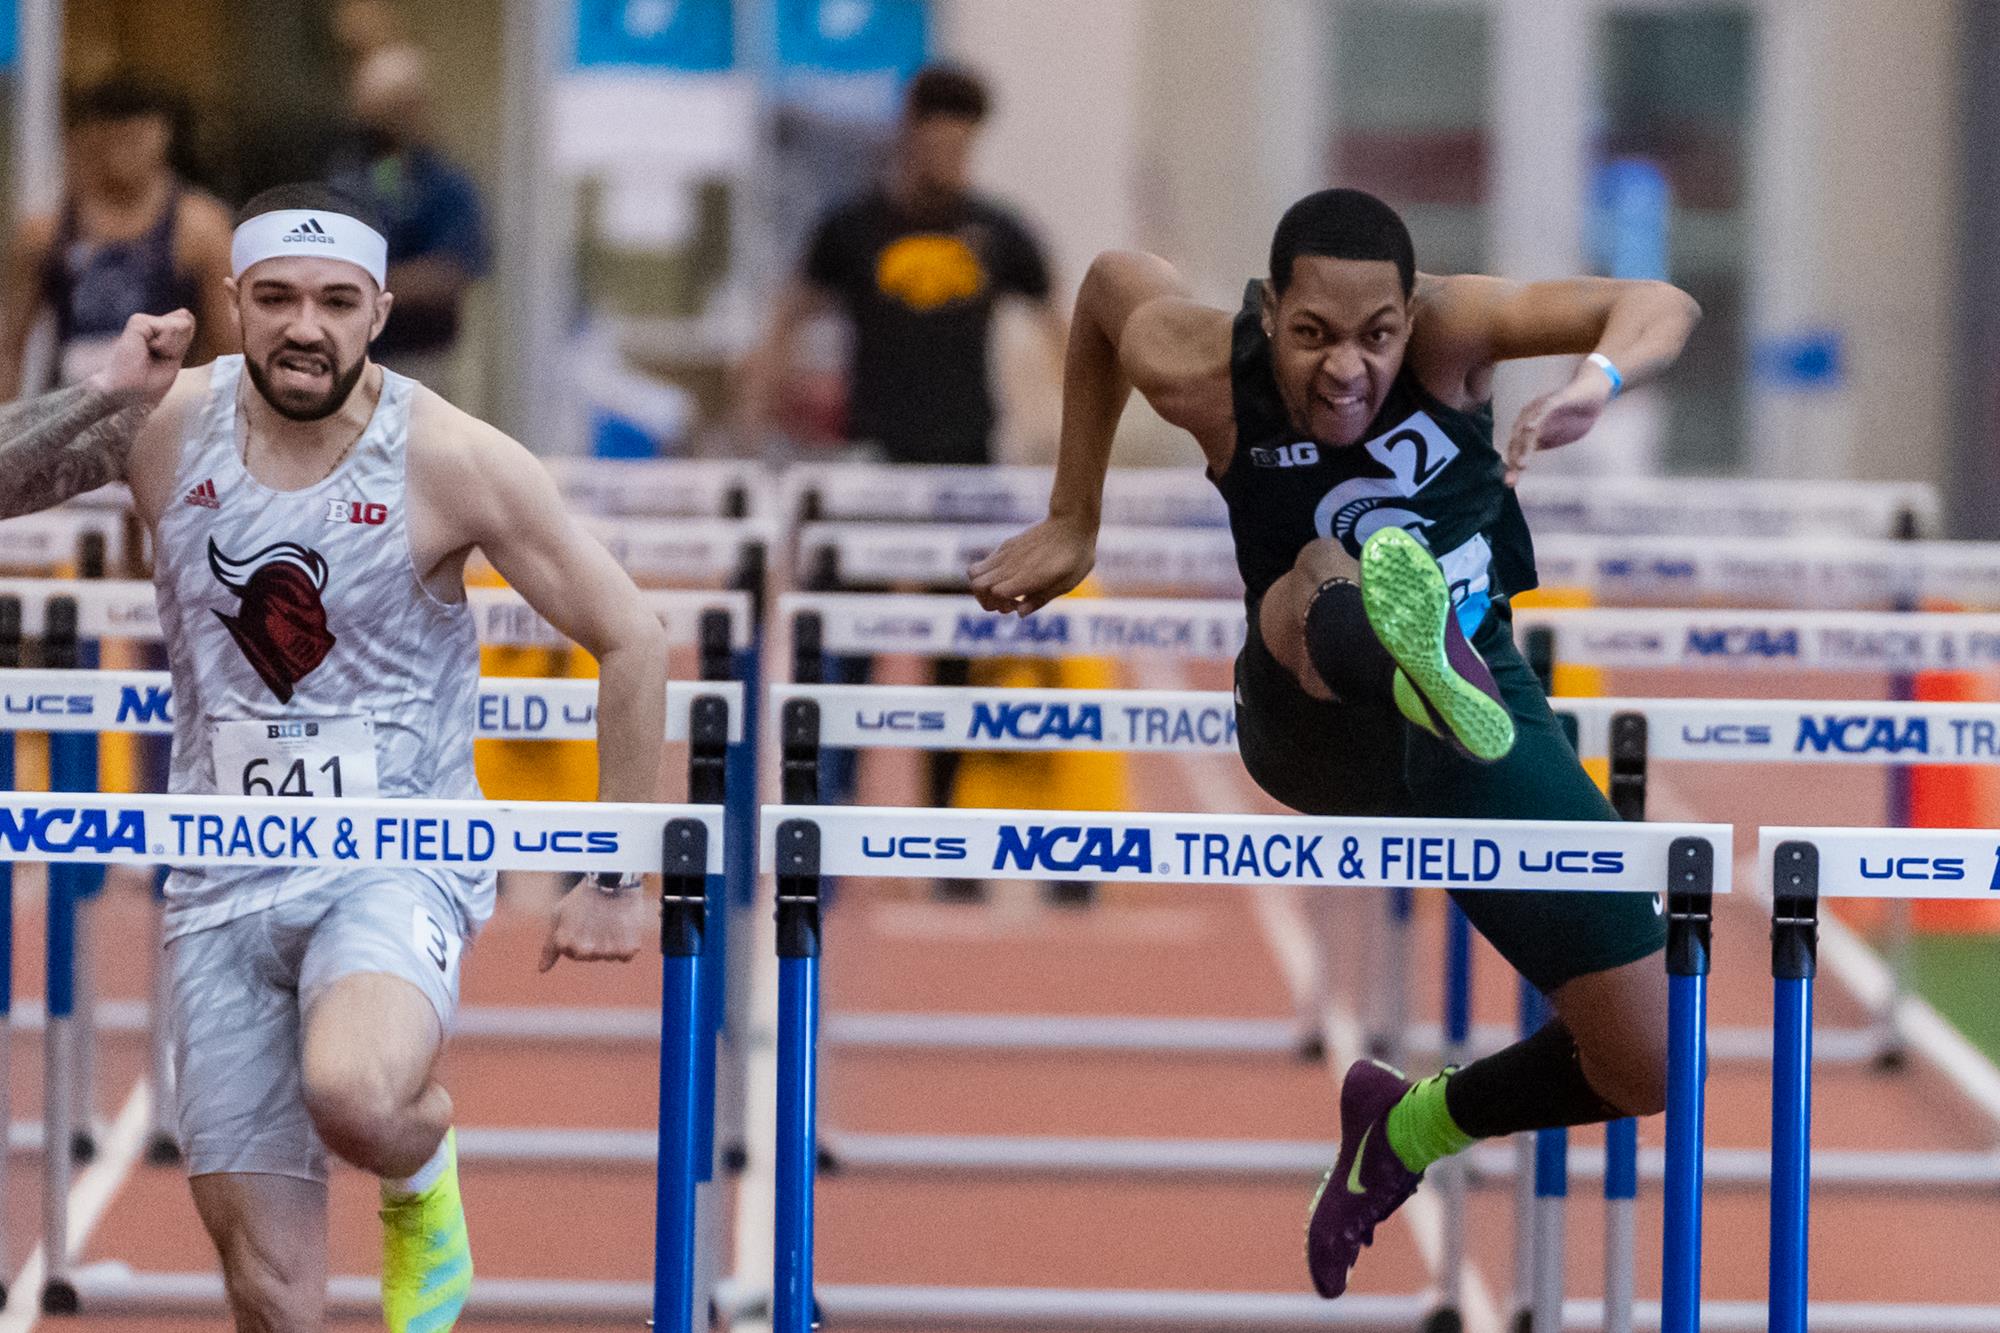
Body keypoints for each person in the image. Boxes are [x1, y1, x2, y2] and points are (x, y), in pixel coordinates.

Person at [968, 188, 1701, 1298]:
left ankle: (1401, 1130)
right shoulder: (1207, 371)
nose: (1344, 369)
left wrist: (1592, 385)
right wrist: (1075, 512)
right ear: (1268, 313)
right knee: (1323, 568)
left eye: (1375, 336)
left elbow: (1657, 301)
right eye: (1311, 335)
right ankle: (1393, 651)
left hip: (1478, 709)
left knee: (1647, 1057)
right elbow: (1113, 282)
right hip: (1304, 717)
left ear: (1413, 318)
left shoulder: (1458, 329)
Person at [0, 182, 671, 1332]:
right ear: (233, 303)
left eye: (332, 301)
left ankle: (419, 1175)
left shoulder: (452, 456)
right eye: (274, 299)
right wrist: (101, 397)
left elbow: (633, 639)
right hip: (219, 877)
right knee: (271, 1293)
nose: (302, 326)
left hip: (393, 858)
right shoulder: (163, 418)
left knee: (354, 1091)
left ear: (378, 312)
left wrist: (618, 874)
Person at [739, 62, 1065, 464]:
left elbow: (1058, 328)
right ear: (911, 135)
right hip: (874, 448)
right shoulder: (851, 228)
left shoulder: (998, 232)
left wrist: (1067, 431)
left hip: (970, 450)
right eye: (942, 148)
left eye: (962, 149)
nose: (953, 162)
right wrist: (756, 425)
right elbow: (787, 319)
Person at [0, 76, 236, 400]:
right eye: (112, 141)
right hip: (70, 411)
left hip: (168, 410)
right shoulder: (45, 232)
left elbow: (230, 349)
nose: (122, 154)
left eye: (134, 140)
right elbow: (7, 348)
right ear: (85, 139)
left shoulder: (199, 227)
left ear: (163, 136)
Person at [327, 44, 490, 403]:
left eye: (390, 111)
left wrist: (365, 284)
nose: (377, 126)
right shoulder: (349, 174)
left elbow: (452, 271)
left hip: (423, 362)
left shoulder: (446, 183)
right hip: (353, 358)